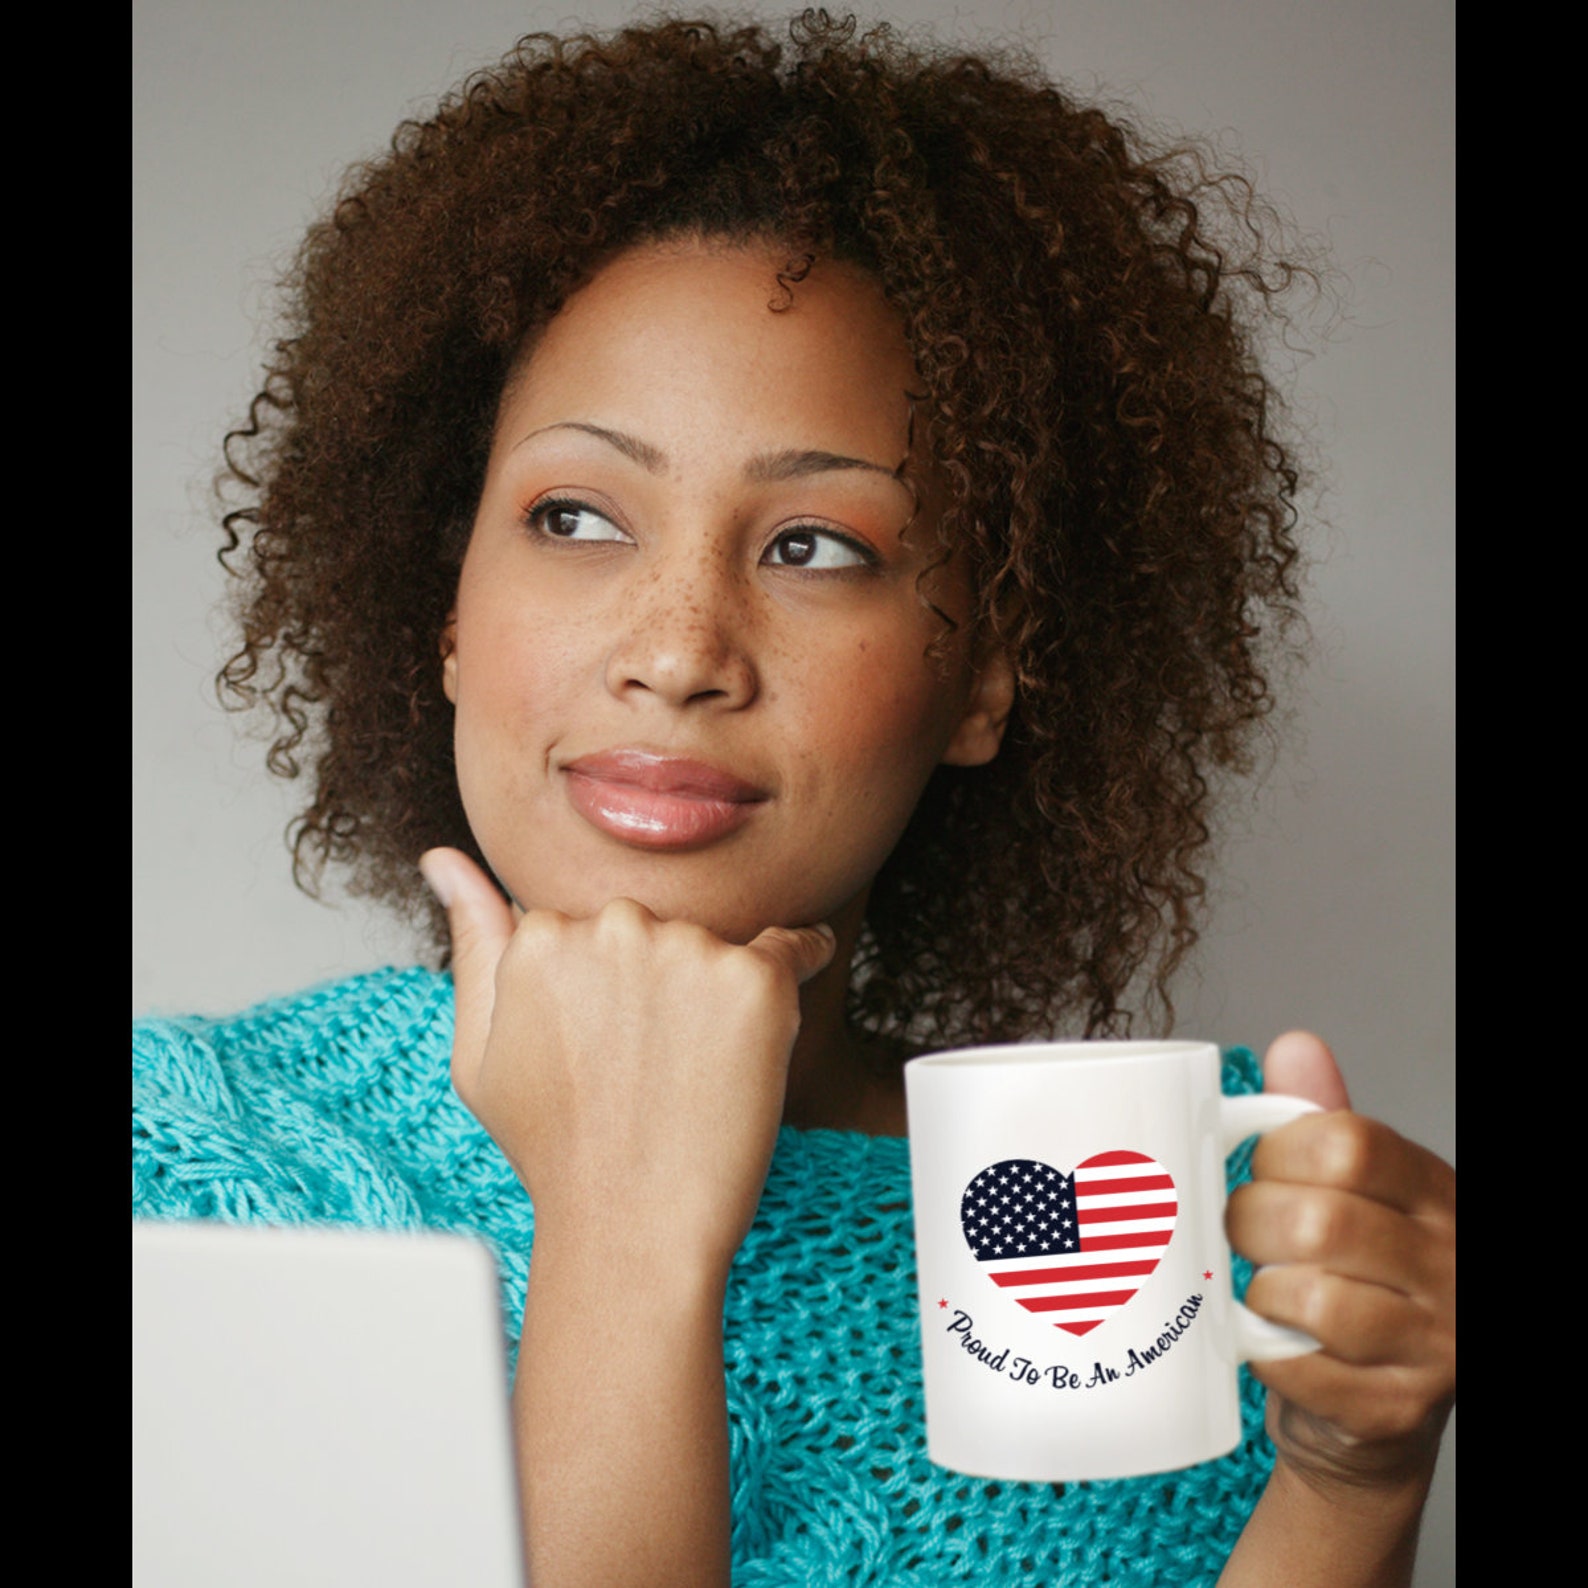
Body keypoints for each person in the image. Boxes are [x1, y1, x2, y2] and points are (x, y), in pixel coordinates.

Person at [132, 13, 1454, 1586]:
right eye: (574, 515)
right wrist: (622, 1233)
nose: (681, 650)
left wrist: (1350, 1485)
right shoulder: (189, 1171)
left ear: (984, 681)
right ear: (446, 612)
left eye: (816, 545)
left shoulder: (1184, 1233)